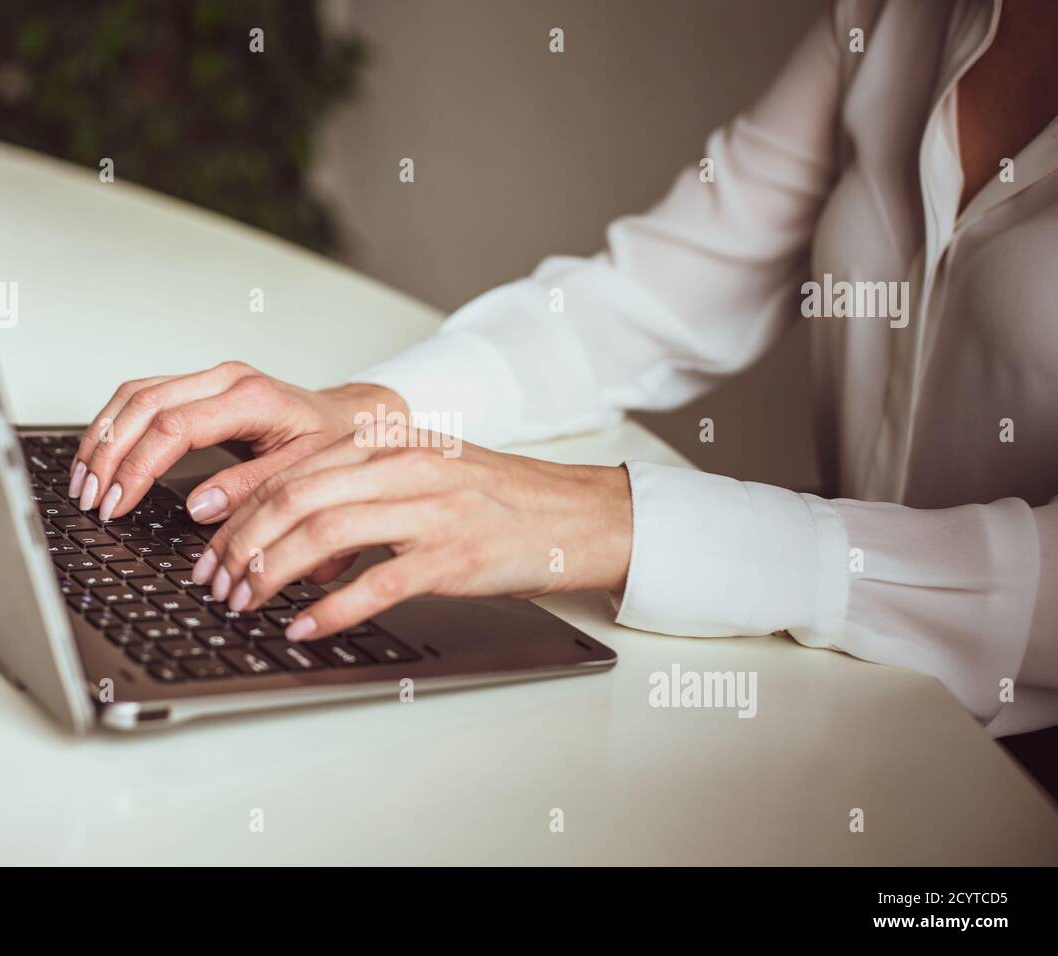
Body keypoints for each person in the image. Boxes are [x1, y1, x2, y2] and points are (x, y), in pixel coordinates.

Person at [69, 0, 1058, 738]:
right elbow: (651, 293)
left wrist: (618, 518)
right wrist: (373, 411)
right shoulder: (896, 14)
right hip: (853, 703)